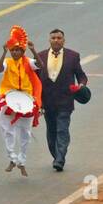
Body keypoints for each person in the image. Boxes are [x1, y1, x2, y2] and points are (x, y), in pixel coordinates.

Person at [35, 28, 87, 172]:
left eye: (59, 38)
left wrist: (81, 85)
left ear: (64, 40)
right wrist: (36, 100)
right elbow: (35, 80)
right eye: (53, 38)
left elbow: (81, 75)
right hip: (47, 102)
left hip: (65, 101)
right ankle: (56, 155)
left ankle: (60, 159)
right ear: (49, 40)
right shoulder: (40, 56)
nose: (56, 40)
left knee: (62, 130)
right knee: (51, 132)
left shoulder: (73, 56)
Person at [0, 26, 42, 177]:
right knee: (5, 128)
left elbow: (40, 65)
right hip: (9, 97)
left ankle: (22, 160)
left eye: (18, 50)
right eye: (12, 50)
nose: (15, 52)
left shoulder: (28, 61)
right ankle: (12, 158)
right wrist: (3, 52)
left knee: (25, 132)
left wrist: (34, 50)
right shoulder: (7, 62)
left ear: (22, 51)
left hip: (26, 99)